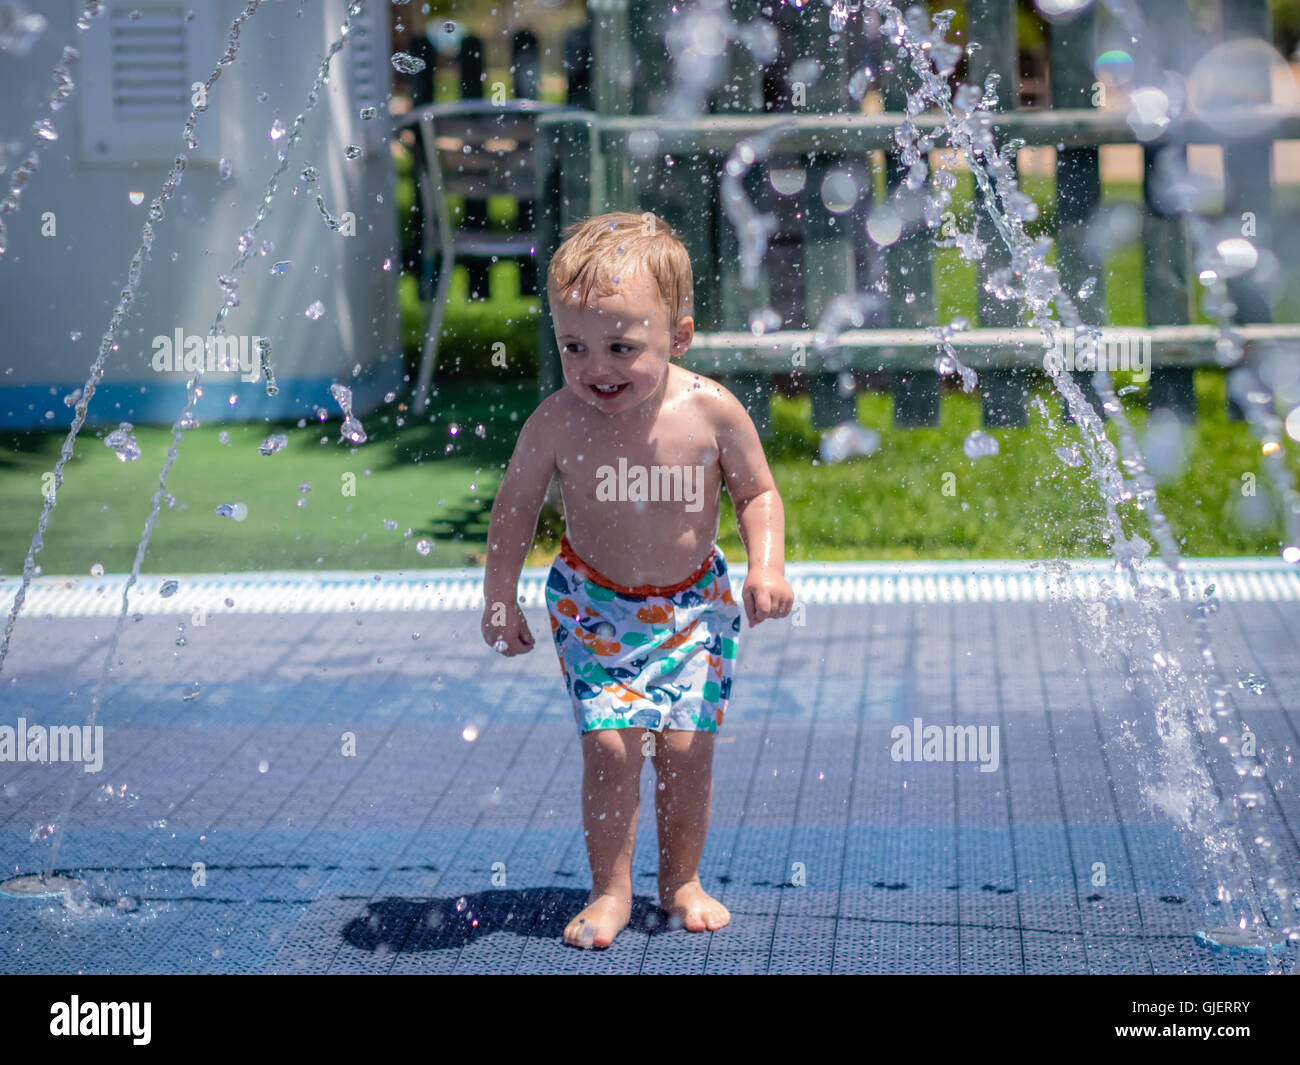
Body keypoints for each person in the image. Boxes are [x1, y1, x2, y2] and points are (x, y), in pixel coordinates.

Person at [481, 210, 794, 949]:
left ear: (678, 337)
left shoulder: (710, 410)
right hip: (594, 604)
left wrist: (767, 563)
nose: (597, 367)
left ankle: (681, 878)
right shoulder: (558, 421)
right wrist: (499, 596)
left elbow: (757, 493)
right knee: (612, 746)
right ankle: (610, 889)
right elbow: (514, 507)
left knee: (686, 748)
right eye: (574, 346)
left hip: (695, 606)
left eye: (621, 346)